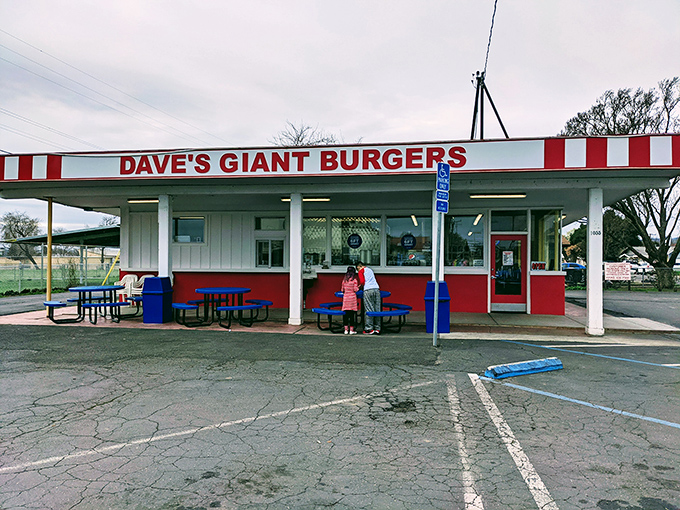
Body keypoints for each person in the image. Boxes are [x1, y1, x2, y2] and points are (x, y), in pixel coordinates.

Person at [357, 261, 380, 335]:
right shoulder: (370, 270)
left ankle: (369, 328)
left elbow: (362, 281)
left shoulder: (361, 271)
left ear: (359, 266)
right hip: (376, 289)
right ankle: (377, 328)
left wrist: (359, 287)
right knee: (377, 308)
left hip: (368, 289)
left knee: (369, 309)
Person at [340, 266, 359, 335]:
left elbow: (342, 290)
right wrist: (358, 288)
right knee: (351, 315)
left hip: (346, 299)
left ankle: (345, 330)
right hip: (352, 299)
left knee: (345, 315)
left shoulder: (344, 280)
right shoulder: (354, 280)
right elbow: (355, 289)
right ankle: (351, 330)